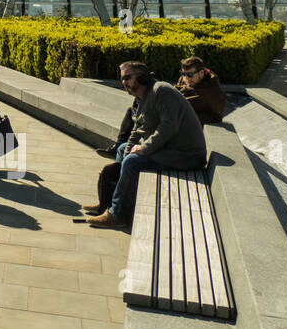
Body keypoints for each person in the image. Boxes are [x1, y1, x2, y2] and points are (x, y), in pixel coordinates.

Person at [88, 61, 208, 229]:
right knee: (123, 150)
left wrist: (143, 149)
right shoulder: (142, 97)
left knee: (132, 162)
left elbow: (169, 127)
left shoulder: (161, 91)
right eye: (122, 79)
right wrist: (129, 150)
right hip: (170, 149)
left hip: (187, 154)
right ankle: (108, 204)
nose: (124, 83)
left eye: (128, 78)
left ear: (143, 77)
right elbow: (137, 130)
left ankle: (118, 215)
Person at [175, 56, 227, 123]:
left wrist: (189, 117)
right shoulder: (184, 78)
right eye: (183, 74)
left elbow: (216, 116)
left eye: (190, 75)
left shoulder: (213, 91)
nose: (186, 78)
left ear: (201, 73)